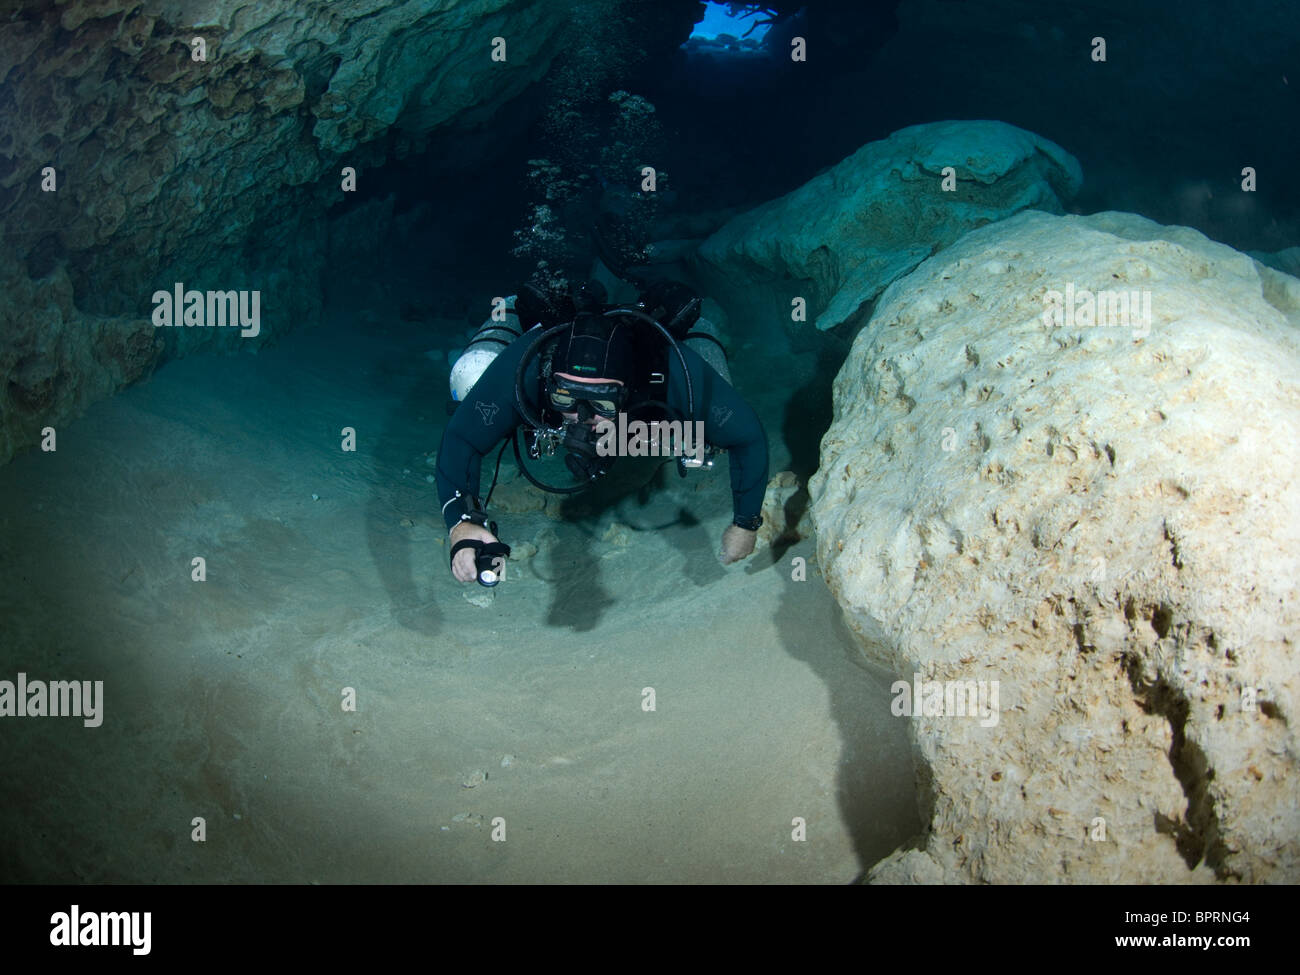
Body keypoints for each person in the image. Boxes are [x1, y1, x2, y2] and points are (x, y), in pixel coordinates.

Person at [435, 278, 768, 584]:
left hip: (644, 411)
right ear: (550, 381)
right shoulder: (530, 366)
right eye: (565, 396)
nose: (581, 417)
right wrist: (462, 524)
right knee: (469, 382)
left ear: (627, 392)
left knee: (713, 416)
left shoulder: (672, 373)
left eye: (601, 403)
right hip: (544, 358)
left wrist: (746, 524)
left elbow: (747, 437)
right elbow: (462, 439)